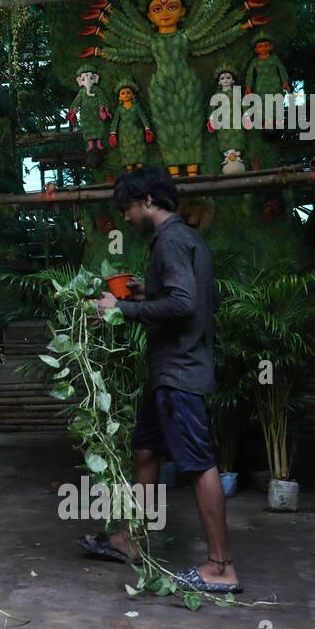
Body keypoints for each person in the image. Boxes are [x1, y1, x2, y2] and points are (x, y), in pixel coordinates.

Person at [78, 166, 241, 593]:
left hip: (178, 372)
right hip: (173, 366)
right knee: (146, 449)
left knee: (199, 463)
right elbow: (200, 296)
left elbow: (185, 304)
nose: (127, 218)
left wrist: (121, 309)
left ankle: (221, 568)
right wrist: (145, 292)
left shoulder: (169, 241)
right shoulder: (189, 240)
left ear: (147, 201)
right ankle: (128, 539)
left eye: (128, 208)